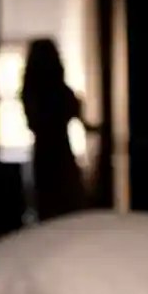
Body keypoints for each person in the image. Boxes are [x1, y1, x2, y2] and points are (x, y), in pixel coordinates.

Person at [21, 39, 89, 220]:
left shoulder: (32, 92)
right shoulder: (60, 91)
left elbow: (32, 122)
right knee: (67, 208)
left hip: (45, 154)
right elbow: (77, 116)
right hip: (59, 153)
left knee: (48, 209)